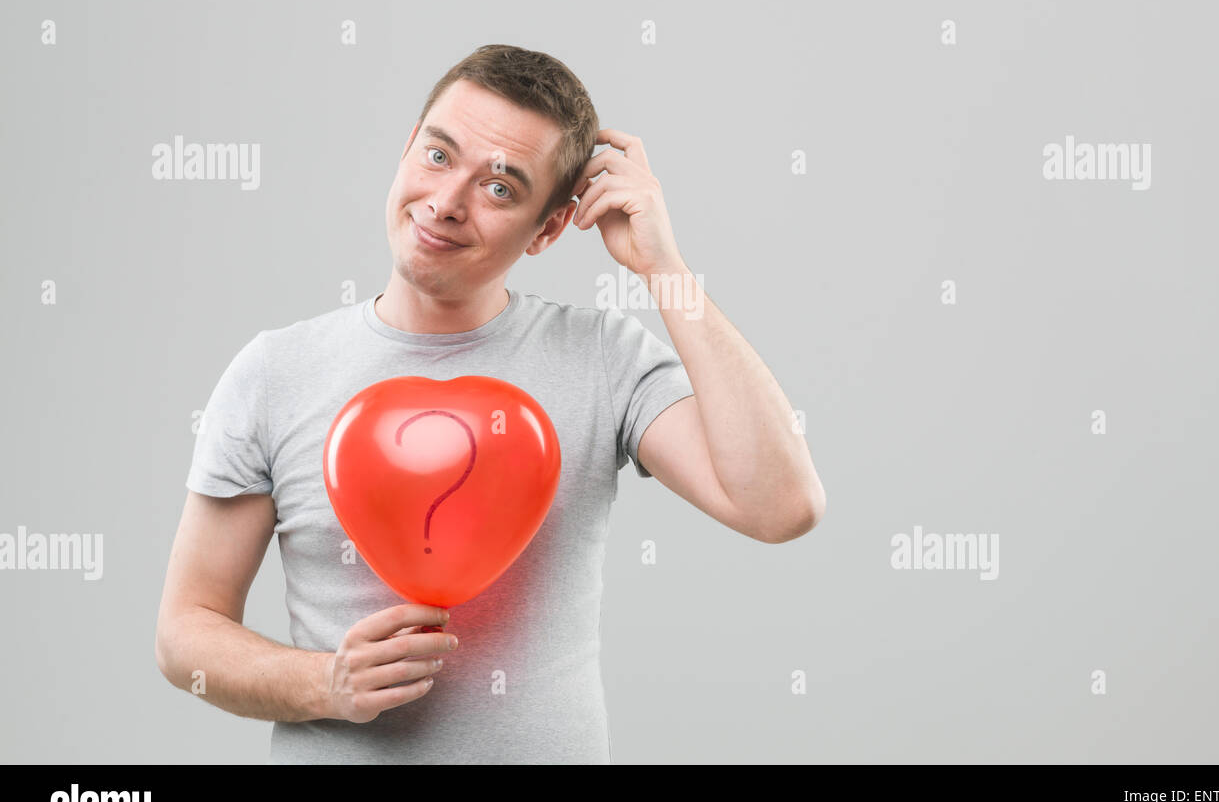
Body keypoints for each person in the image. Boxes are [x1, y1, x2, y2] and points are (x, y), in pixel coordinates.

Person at [154, 43, 827, 764]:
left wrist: (665, 268)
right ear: (408, 146)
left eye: (500, 187)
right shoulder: (273, 372)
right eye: (439, 157)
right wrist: (325, 684)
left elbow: (780, 505)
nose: (446, 204)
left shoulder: (602, 357)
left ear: (547, 229)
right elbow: (186, 630)